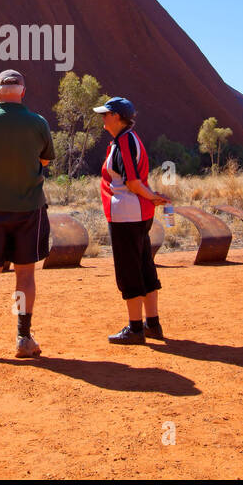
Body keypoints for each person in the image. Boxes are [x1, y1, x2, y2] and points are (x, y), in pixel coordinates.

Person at [0, 69, 55, 359]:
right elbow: (44, 158)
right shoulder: (38, 123)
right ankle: (22, 337)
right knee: (25, 275)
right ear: (23, 92)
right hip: (29, 209)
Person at [94, 96, 171, 344]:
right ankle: (153, 325)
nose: (102, 118)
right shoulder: (124, 140)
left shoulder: (125, 141)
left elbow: (132, 182)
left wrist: (152, 197)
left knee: (129, 270)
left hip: (127, 215)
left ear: (117, 117)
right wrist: (152, 198)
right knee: (144, 265)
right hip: (136, 213)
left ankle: (136, 328)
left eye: (105, 114)